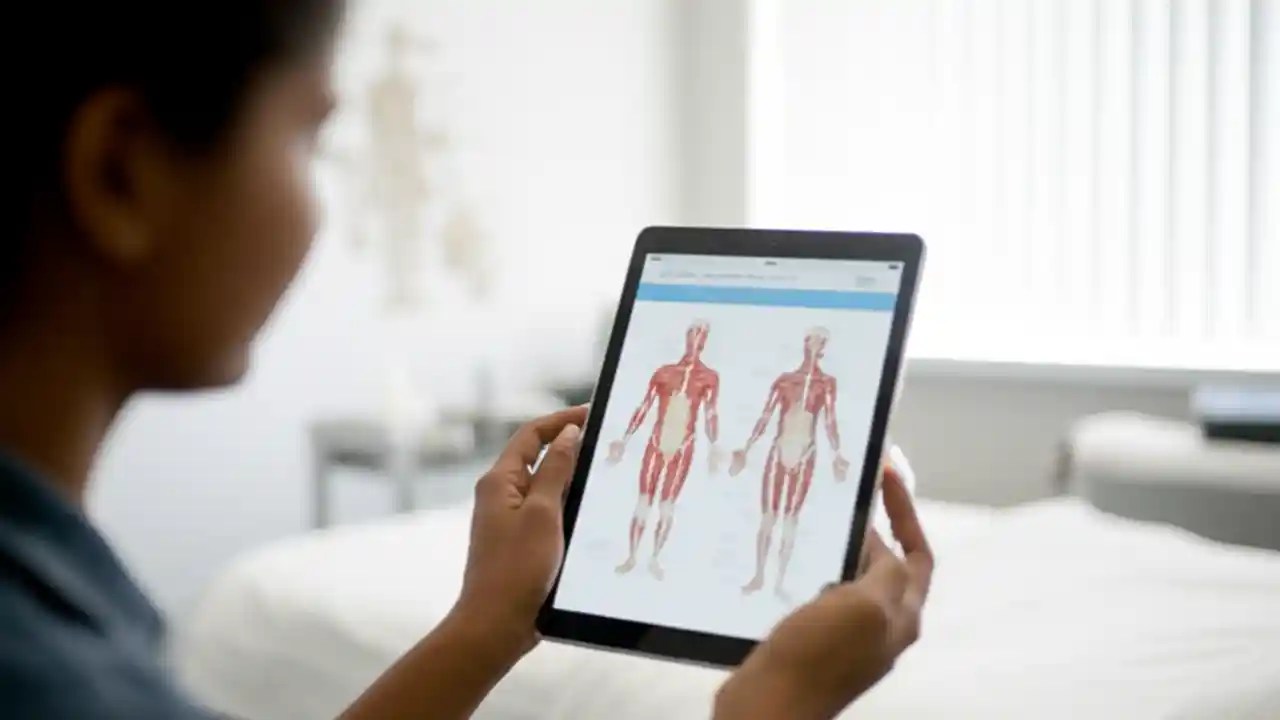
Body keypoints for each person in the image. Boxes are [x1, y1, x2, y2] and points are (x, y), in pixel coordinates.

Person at [0, 2, 934, 719]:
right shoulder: (56, 679)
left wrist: (488, 622)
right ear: (120, 172)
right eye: (308, 138)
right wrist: (770, 708)